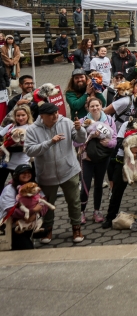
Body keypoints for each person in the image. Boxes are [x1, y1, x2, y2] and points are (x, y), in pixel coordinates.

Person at [23, 101, 87, 244]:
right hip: (46, 174)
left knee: (74, 201)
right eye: (51, 114)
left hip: (69, 170)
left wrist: (80, 130)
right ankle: (48, 230)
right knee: (46, 204)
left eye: (56, 113)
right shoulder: (33, 129)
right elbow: (29, 150)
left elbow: (81, 140)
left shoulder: (66, 122)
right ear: (42, 116)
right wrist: (49, 142)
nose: (55, 116)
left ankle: (76, 228)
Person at [102, 99, 137, 229]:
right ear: (136, 112)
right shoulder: (126, 124)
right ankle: (110, 217)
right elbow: (119, 141)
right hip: (124, 162)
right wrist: (130, 150)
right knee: (117, 191)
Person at [78, 96, 117, 224]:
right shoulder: (82, 121)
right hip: (87, 158)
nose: (95, 108)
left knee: (99, 185)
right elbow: (74, 141)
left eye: (97, 105)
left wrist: (108, 143)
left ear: (101, 106)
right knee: (85, 186)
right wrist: (87, 138)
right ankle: (81, 211)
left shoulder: (109, 120)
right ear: (87, 108)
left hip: (102, 157)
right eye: (92, 106)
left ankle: (97, 210)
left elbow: (115, 139)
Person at [0, 164, 38, 249]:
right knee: (27, 248)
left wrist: (36, 214)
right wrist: (33, 211)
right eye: (23, 173)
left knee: (45, 230)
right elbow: (11, 211)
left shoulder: (32, 185)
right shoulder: (9, 189)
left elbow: (43, 201)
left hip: (27, 221)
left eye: (28, 172)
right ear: (17, 175)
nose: (26, 175)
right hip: (10, 225)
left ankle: (28, 237)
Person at [0, 105, 33, 187]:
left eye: (23, 115)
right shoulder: (11, 126)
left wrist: (7, 148)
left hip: (20, 164)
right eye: (18, 115)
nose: (20, 118)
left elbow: (28, 147)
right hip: (5, 163)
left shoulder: (31, 128)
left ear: (28, 115)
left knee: (20, 187)